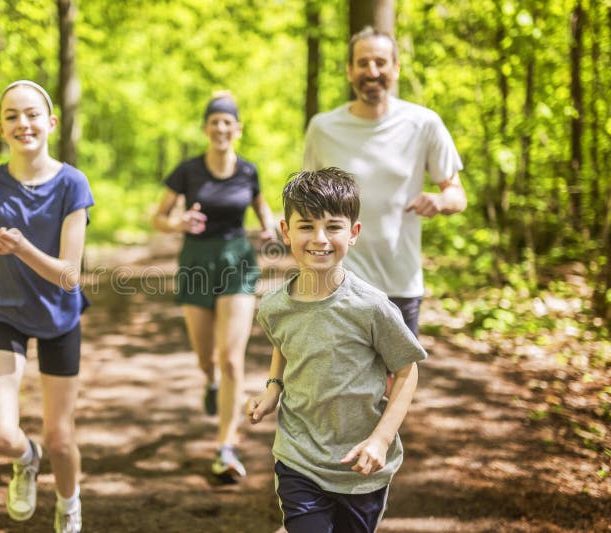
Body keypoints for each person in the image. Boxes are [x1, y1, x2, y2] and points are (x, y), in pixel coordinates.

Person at [245, 167, 427, 533]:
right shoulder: (274, 306)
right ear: (286, 231)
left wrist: (381, 440)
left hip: (360, 466)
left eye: (333, 227)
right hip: (299, 457)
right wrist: (272, 388)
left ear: (354, 233)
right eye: (306, 226)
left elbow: (408, 370)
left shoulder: (371, 307)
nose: (320, 238)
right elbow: (286, 342)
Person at [0, 80, 93, 533]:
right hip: (3, 313)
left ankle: (69, 500)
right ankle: (25, 458)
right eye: (12, 115)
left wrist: (21, 248)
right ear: (1, 127)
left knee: (59, 436)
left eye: (32, 114)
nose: (23, 123)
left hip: (59, 318)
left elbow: (70, 276)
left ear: (50, 122)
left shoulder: (73, 184)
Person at [303, 26, 467, 336]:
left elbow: (457, 194)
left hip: (399, 284)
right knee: (341, 383)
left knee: (401, 381)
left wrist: (441, 200)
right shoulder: (322, 128)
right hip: (336, 282)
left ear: (396, 68)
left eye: (380, 62)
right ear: (350, 71)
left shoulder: (424, 124)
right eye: (363, 63)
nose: (372, 71)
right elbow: (307, 206)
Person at [151, 90, 276, 481]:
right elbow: (158, 217)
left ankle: (226, 445)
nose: (221, 128)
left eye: (227, 122)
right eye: (214, 122)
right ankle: (210, 380)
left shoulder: (248, 171)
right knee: (207, 357)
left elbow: (261, 206)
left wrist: (270, 225)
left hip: (236, 261)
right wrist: (178, 223)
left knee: (230, 356)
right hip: (196, 262)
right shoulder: (187, 171)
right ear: (206, 129)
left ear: (237, 129)